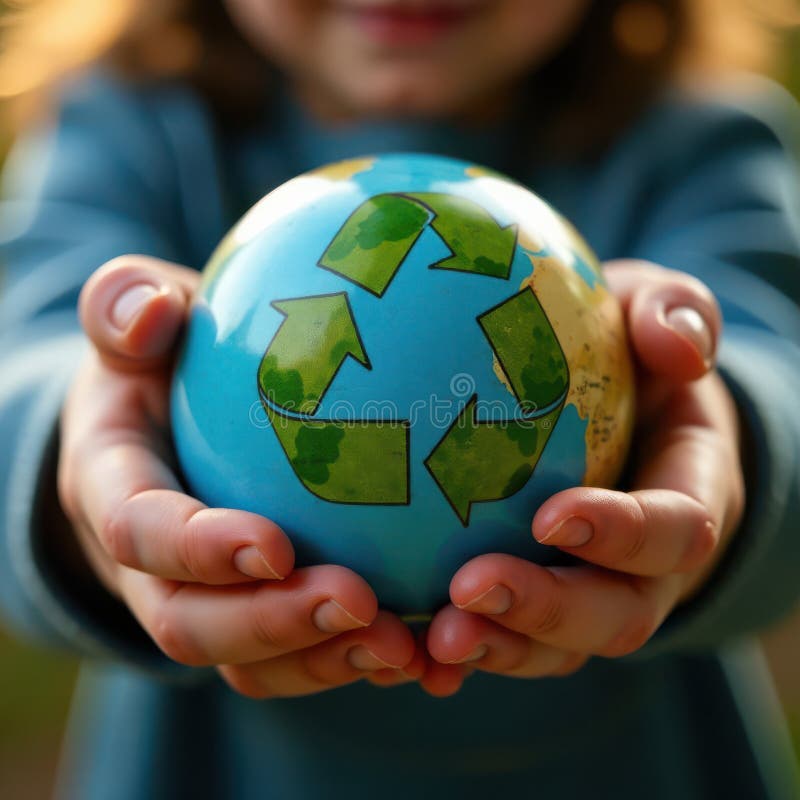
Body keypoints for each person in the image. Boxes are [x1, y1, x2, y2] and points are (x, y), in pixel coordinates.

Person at [0, 1, 798, 797]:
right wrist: (84, 473)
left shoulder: (697, 143)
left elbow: (776, 378)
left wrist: (725, 447)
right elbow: (28, 371)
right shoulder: (126, 131)